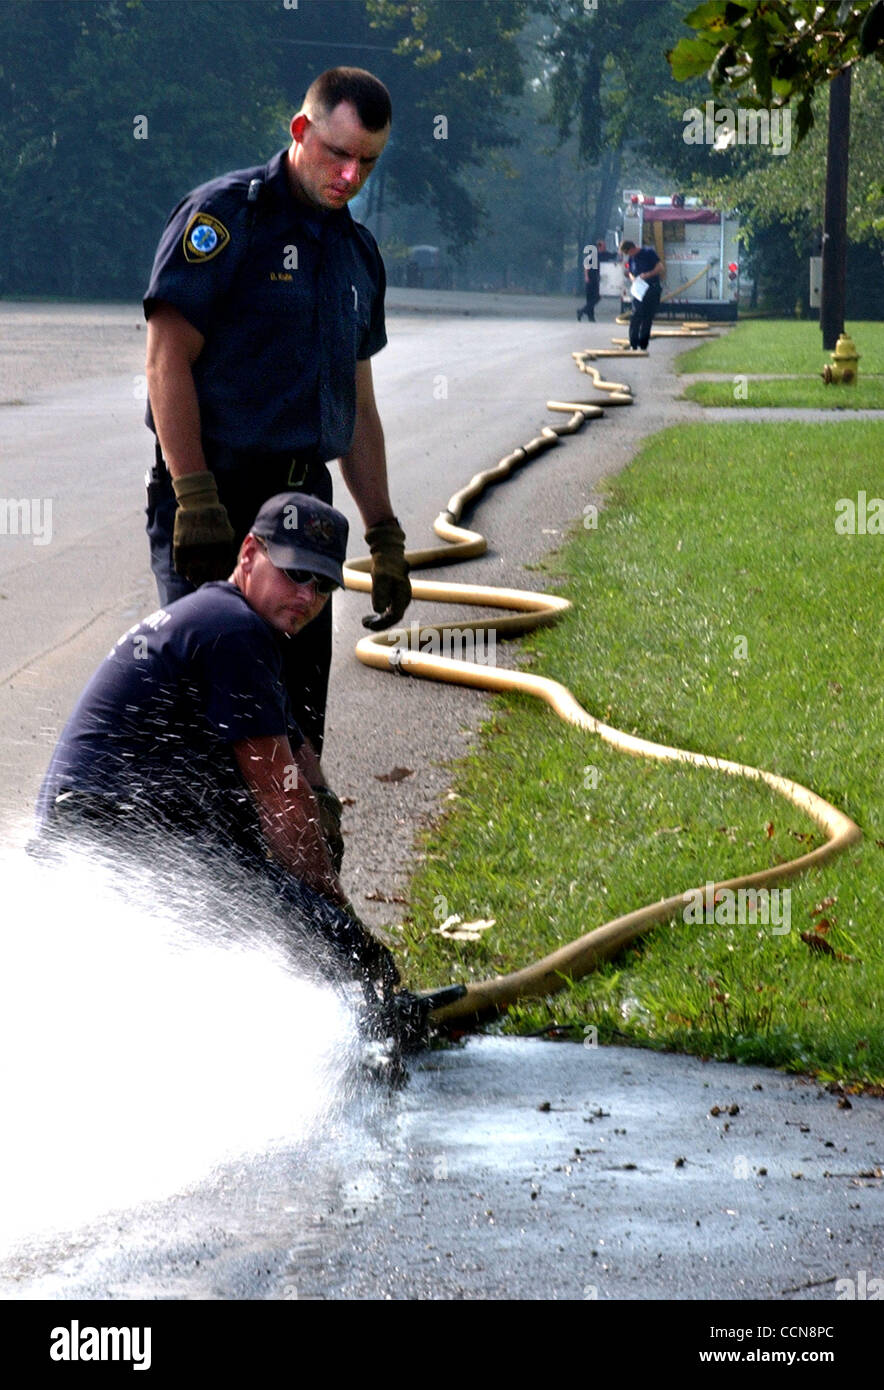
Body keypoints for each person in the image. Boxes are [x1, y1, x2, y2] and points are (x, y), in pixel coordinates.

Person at [142, 66, 412, 783]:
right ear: (300, 131)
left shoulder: (357, 258)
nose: (351, 175)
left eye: (368, 162)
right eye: (337, 153)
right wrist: (194, 494)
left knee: (297, 730)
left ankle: (295, 884)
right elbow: (167, 359)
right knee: (217, 721)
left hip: (306, 514)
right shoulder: (224, 218)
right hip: (216, 497)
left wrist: (384, 534)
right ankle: (195, 882)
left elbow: (356, 411)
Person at [35, 493, 395, 988]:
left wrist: (324, 806)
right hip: (106, 833)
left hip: (106, 825)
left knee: (277, 896)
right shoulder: (234, 632)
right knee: (334, 951)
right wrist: (335, 914)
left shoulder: (231, 622)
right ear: (248, 553)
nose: (308, 597)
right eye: (294, 574)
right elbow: (280, 796)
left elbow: (295, 756)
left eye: (323, 585)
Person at [619, 239, 664, 350]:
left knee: (648, 317)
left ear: (633, 248)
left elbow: (660, 267)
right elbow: (629, 272)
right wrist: (633, 278)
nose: (629, 255)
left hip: (651, 288)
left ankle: (643, 344)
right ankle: (633, 343)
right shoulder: (631, 257)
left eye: (629, 252)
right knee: (636, 315)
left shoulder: (648, 253)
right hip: (638, 290)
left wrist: (647, 274)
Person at [577, 242, 601, 322]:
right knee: (596, 298)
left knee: (591, 299)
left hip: (594, 280)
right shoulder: (592, 257)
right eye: (603, 246)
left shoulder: (598, 256)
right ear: (598, 247)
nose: (604, 248)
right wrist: (586, 277)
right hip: (591, 280)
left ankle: (591, 317)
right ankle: (582, 311)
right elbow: (586, 267)